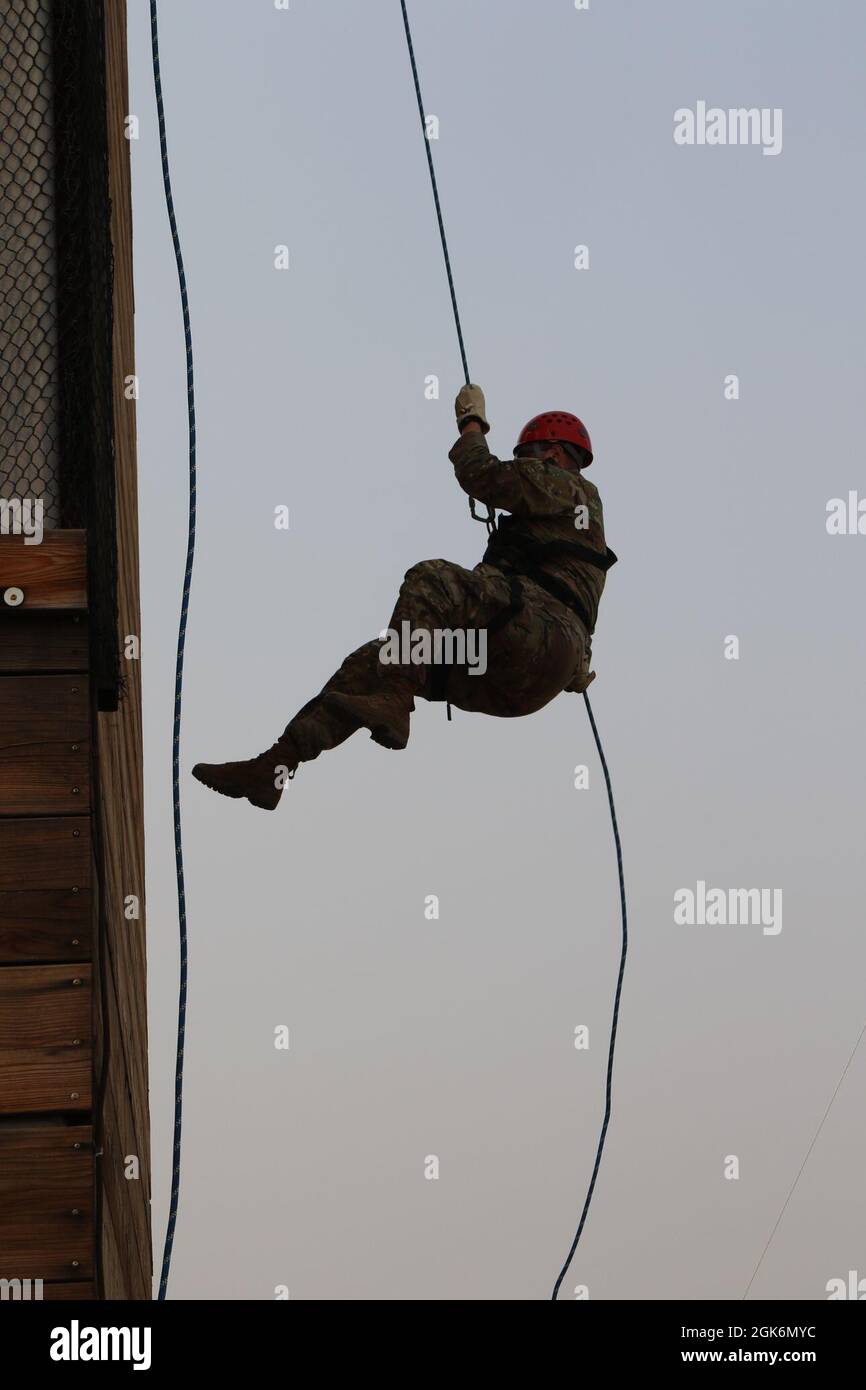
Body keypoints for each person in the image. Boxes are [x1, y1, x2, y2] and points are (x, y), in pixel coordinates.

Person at [192, 385, 616, 810]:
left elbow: (480, 472)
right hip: (517, 667)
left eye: (527, 458)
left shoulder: (570, 487)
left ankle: (394, 698)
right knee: (375, 660)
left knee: (431, 580)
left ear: (554, 454)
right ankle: (275, 768)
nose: (524, 467)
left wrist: (472, 423)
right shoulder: (573, 525)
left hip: (534, 638)